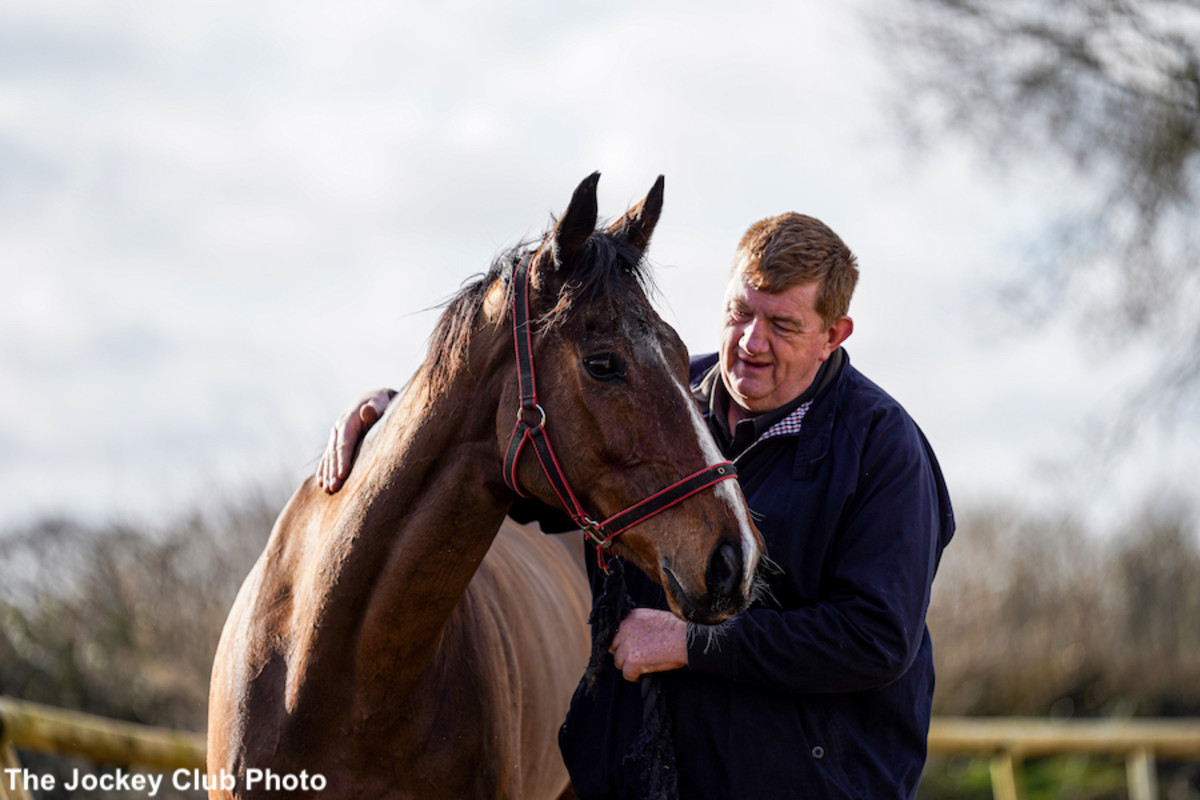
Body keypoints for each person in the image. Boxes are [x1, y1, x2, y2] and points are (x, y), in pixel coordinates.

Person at [317, 213, 954, 800]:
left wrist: (692, 644)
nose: (750, 343)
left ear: (833, 336)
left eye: (783, 326)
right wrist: (398, 415)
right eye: (739, 313)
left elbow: (875, 638)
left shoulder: (883, 447)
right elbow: (541, 439)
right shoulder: (661, 398)